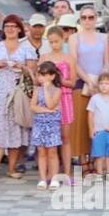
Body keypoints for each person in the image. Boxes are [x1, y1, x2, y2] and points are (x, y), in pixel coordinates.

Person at [0, 14, 37, 181]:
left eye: (14, 26)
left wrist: (22, 67)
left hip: (18, 91)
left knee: (16, 127)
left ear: (19, 29)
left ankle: (12, 168)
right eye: (7, 26)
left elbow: (34, 73)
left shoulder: (27, 48)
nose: (10, 29)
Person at [70, 6, 109, 174]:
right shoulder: (74, 37)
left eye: (91, 17)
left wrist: (100, 82)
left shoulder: (104, 37)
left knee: (99, 123)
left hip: (101, 85)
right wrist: (88, 80)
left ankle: (97, 158)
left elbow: (106, 61)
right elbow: (74, 62)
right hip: (82, 83)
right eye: (84, 17)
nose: (87, 20)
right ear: (80, 19)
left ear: (96, 18)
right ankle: (83, 159)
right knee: (80, 123)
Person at [42, 26, 76, 184]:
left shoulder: (69, 58)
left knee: (65, 137)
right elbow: (38, 79)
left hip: (65, 98)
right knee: (49, 137)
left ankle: (67, 172)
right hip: (48, 98)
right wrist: (47, 80)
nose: (54, 44)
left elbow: (73, 82)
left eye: (56, 41)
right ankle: (50, 171)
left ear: (63, 40)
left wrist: (60, 80)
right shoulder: (44, 57)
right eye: (51, 42)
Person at [29, 61, 63, 190]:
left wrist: (46, 90)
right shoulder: (37, 90)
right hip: (39, 123)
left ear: (52, 76)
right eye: (39, 75)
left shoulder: (57, 90)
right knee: (41, 152)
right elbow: (33, 106)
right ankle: (42, 178)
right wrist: (46, 111)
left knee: (52, 152)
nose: (41, 78)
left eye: (44, 75)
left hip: (52, 125)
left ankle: (54, 178)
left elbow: (50, 104)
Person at [87, 73, 109, 177]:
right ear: (98, 85)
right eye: (101, 83)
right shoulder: (94, 98)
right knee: (99, 154)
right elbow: (90, 114)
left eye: (107, 83)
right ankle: (99, 173)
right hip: (99, 131)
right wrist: (91, 129)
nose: (103, 86)